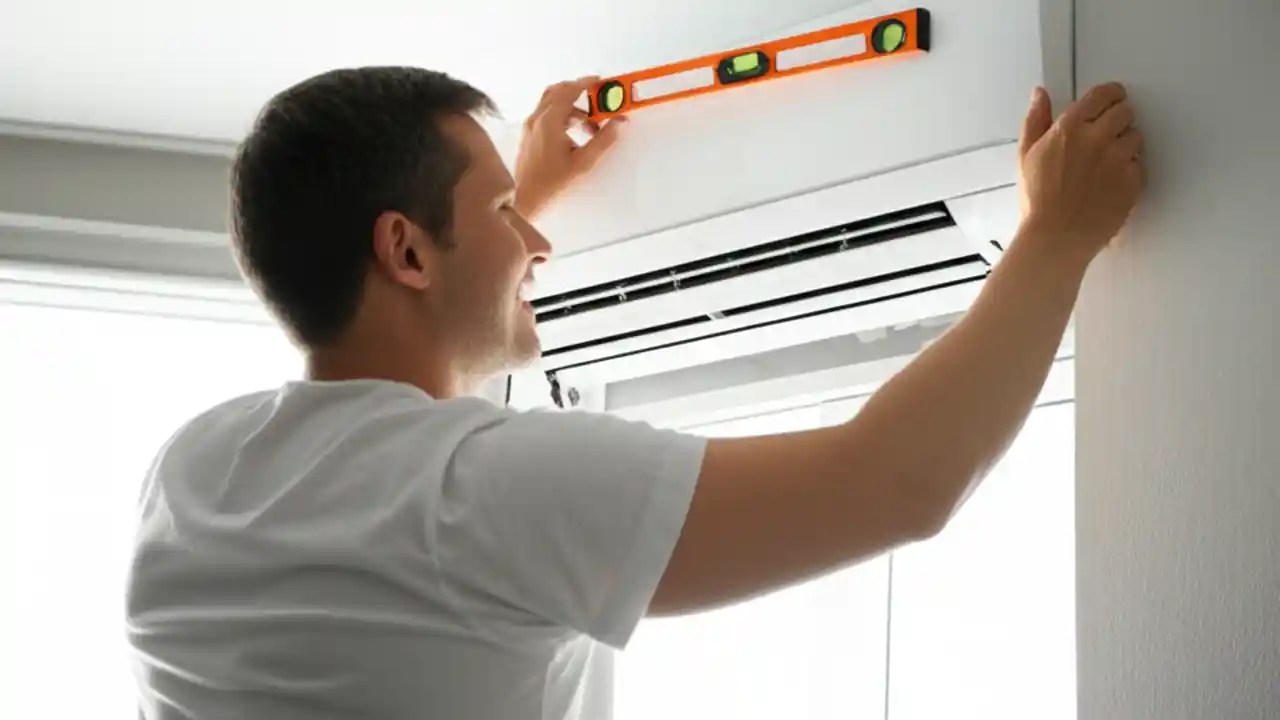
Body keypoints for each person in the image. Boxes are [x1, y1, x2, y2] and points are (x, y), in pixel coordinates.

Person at [124, 67, 1144, 719]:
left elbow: (403, 442)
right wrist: (1052, 238)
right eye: (506, 214)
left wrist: (494, 214)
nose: (537, 241)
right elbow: (894, 483)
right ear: (404, 247)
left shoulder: (192, 475)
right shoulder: (474, 494)